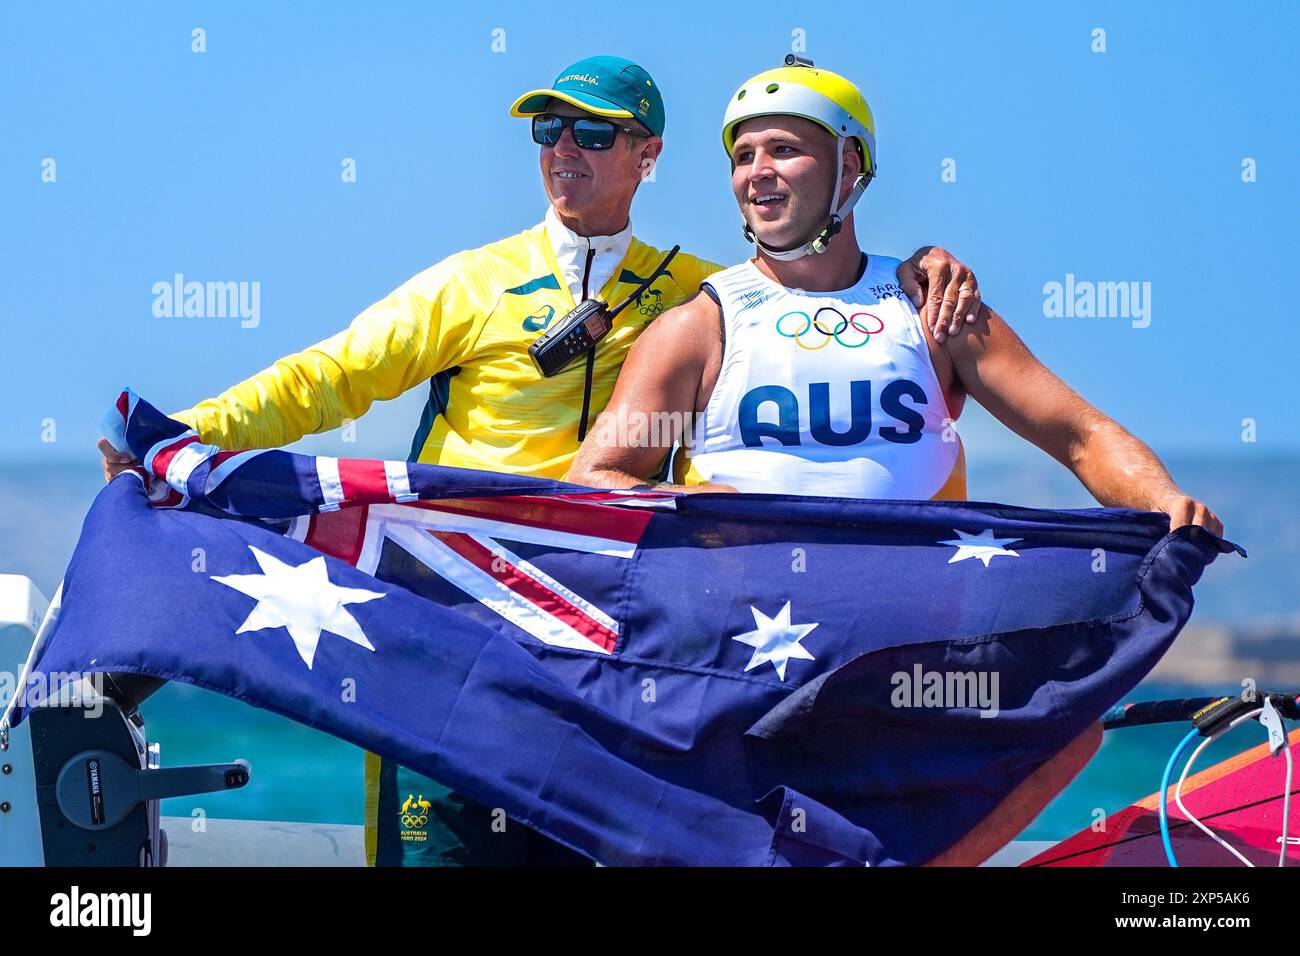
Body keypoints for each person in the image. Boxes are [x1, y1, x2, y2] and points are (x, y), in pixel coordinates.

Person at [98, 55, 981, 866]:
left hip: (606, 650)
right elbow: (332, 376)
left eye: (593, 132)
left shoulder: (700, 297)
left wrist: (918, 271)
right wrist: (192, 436)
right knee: (438, 852)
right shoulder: (473, 283)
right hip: (451, 624)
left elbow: (815, 288)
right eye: (547, 130)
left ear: (647, 155)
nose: (565, 149)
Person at [566, 57, 1224, 865]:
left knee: (1067, 733)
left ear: (851, 167)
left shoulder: (932, 308)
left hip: (907, 662)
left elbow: (1078, 434)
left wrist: (1163, 500)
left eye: (783, 150)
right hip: (753, 663)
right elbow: (596, 484)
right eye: (743, 156)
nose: (757, 173)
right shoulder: (698, 325)